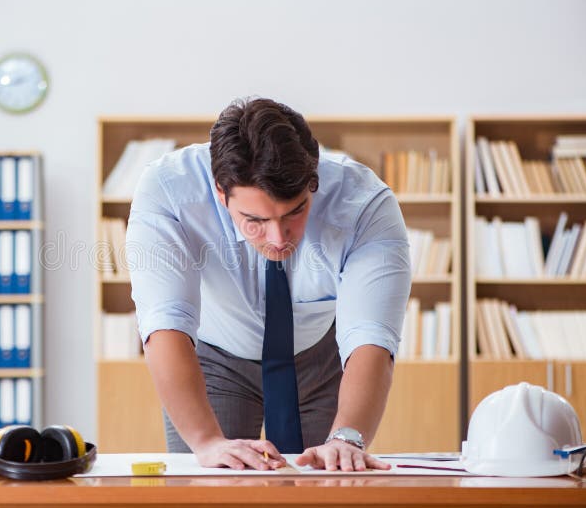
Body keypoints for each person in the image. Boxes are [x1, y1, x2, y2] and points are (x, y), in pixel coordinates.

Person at [125, 98, 411, 471]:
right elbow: (166, 320)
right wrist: (207, 442)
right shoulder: (168, 191)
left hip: (320, 358)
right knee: (211, 487)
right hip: (215, 356)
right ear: (220, 191)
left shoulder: (365, 204)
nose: (278, 238)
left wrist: (347, 439)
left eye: (294, 212)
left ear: (313, 182)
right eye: (254, 219)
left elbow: (370, 334)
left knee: (326, 483)